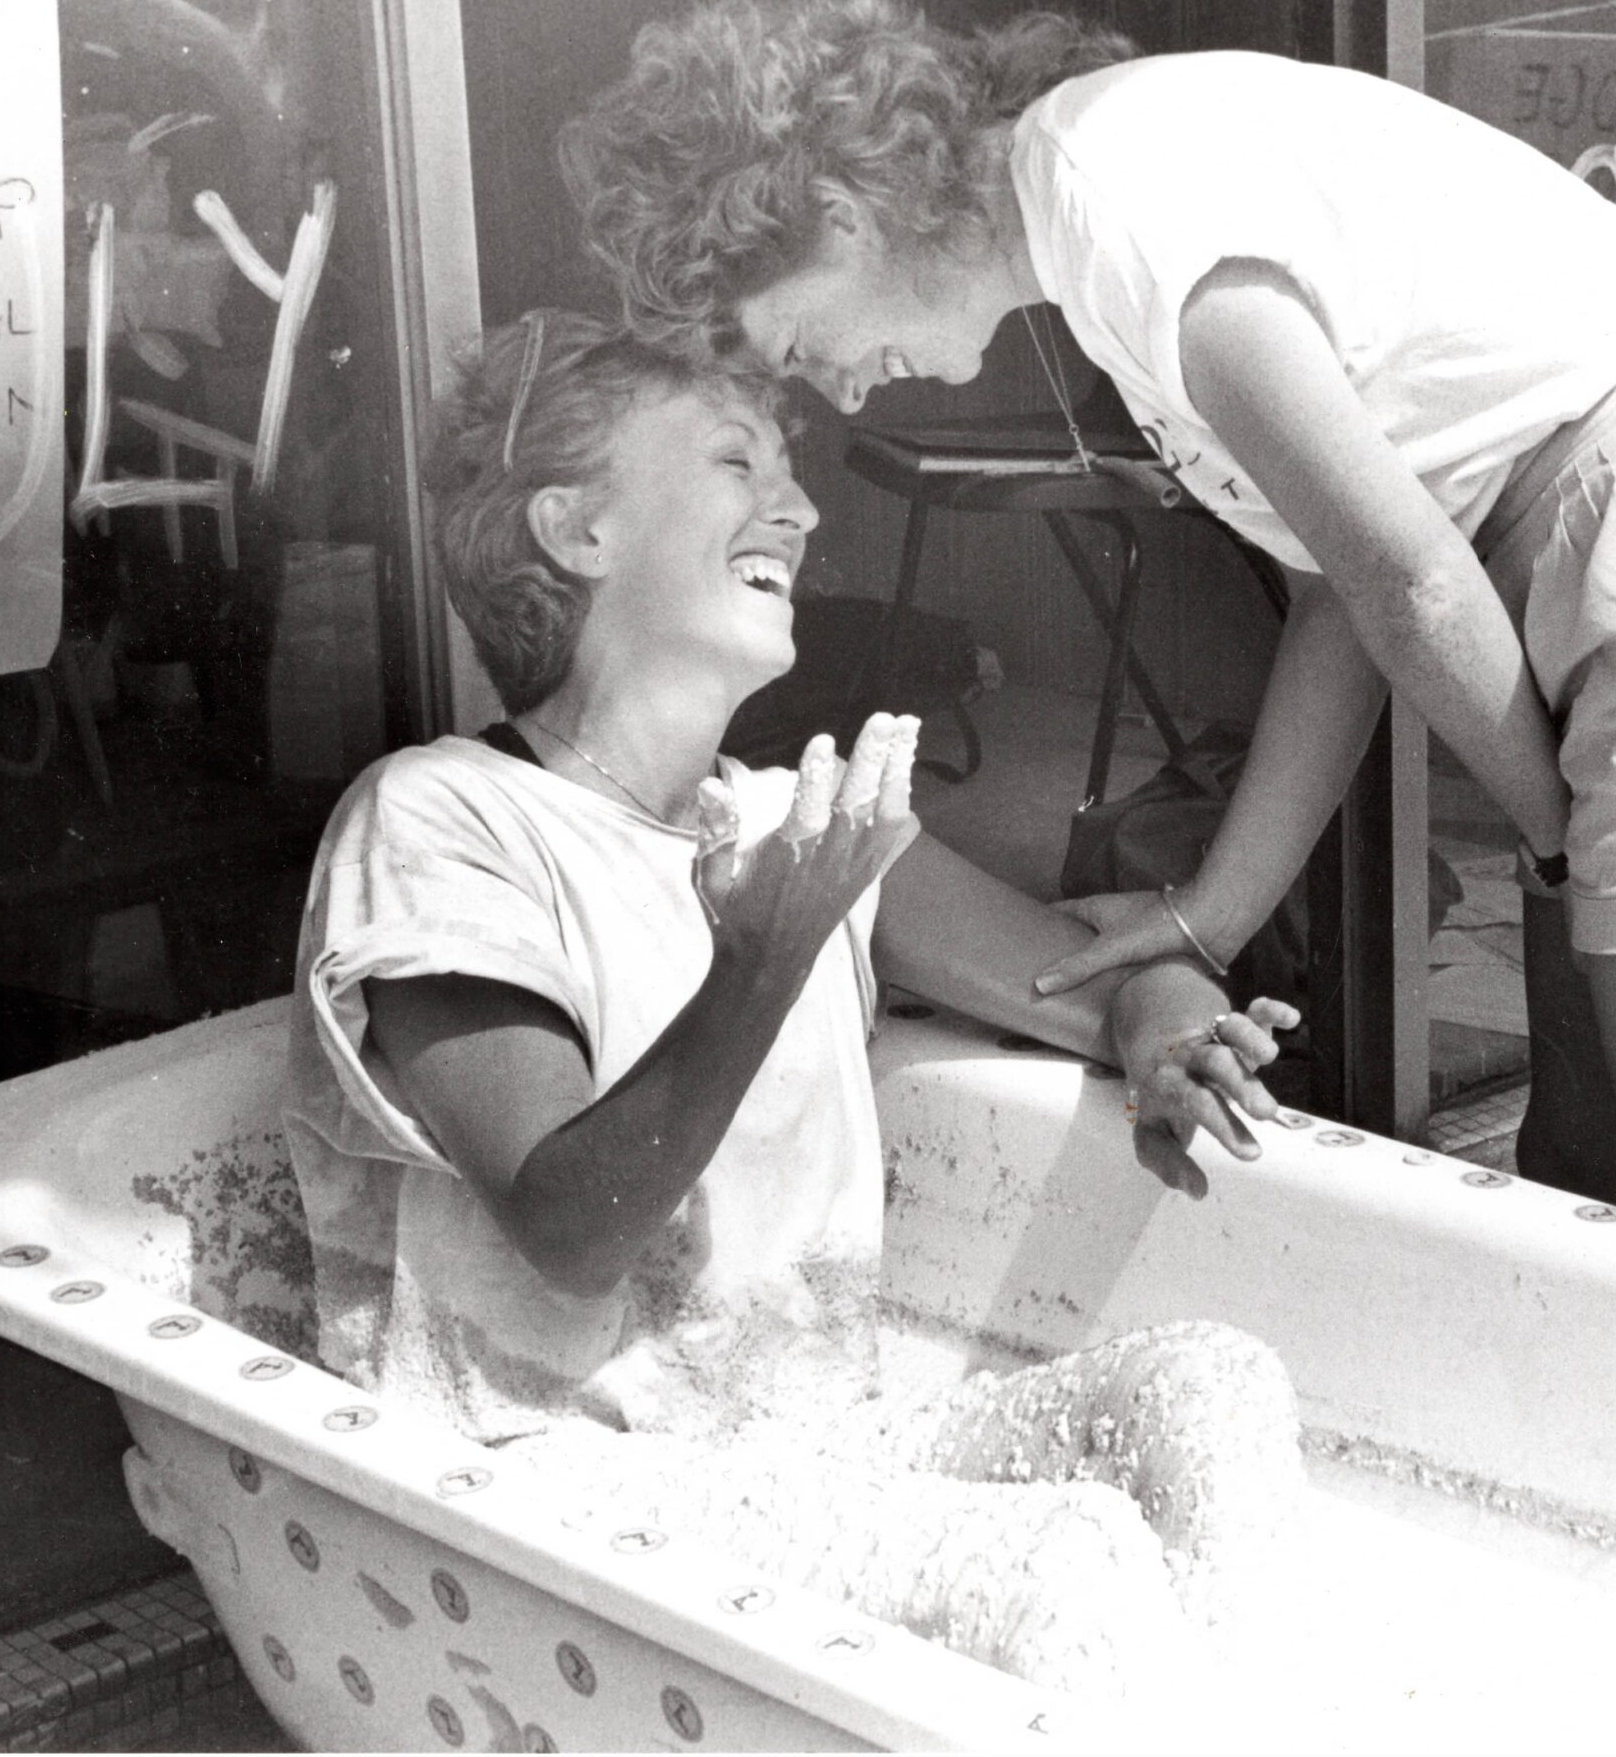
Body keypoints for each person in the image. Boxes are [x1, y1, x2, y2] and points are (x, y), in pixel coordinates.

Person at [557, 0, 1616, 1267]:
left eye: (798, 345)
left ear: (840, 221)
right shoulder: (1097, 228)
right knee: (1584, 1176)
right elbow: (1341, 588)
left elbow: (1410, 583)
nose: (845, 395)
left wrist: (1551, 847)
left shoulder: (1122, 210)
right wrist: (1210, 911)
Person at [280, 309, 1306, 1693]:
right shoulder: (438, 820)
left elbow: (1085, 973)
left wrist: (1171, 1015)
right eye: (734, 464)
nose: (804, 508)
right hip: (552, 1501)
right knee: (1061, 1557)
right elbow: (570, 1230)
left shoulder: (780, 823)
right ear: (577, 530)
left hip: (813, 1459)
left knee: (1210, 1385)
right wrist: (761, 959)